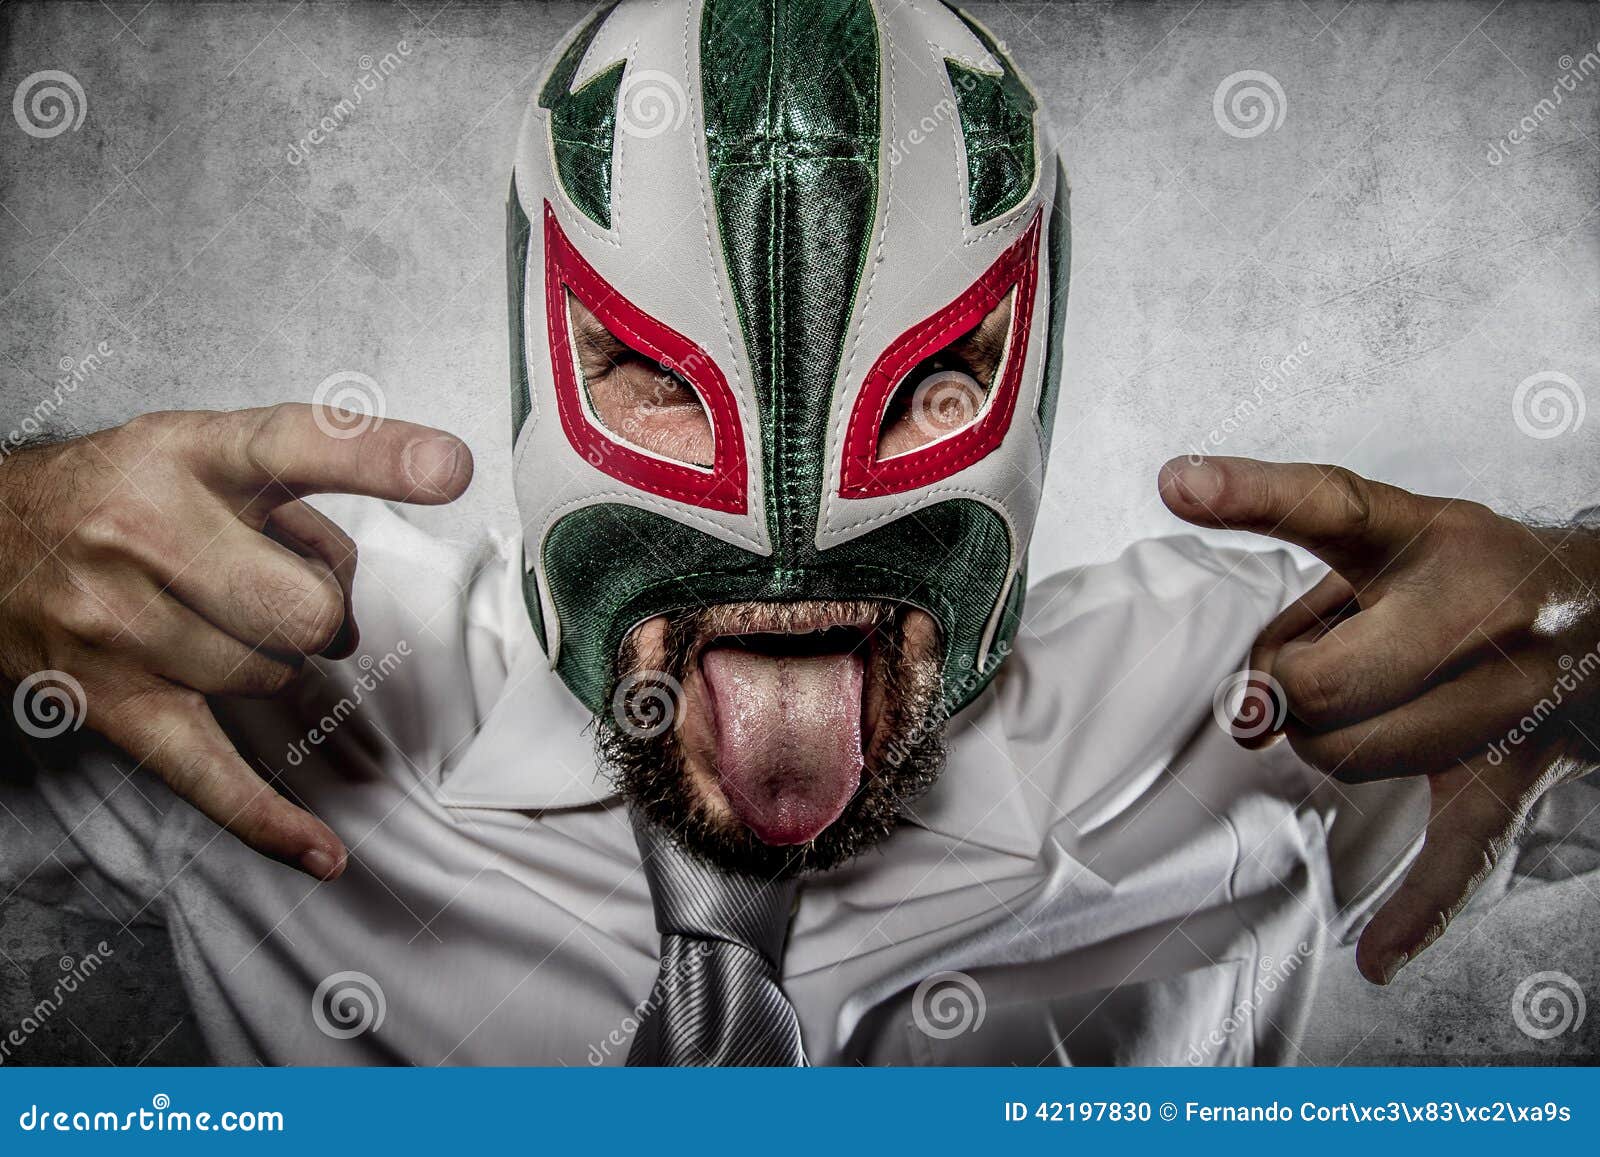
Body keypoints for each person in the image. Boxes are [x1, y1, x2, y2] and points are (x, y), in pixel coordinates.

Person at [1, 0, 1596, 1066]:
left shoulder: (1269, 689)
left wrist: (1578, 624)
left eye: (928, 388)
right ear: (536, 354)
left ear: (1032, 371)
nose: (790, 544)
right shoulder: (266, 679)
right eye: (650, 379)